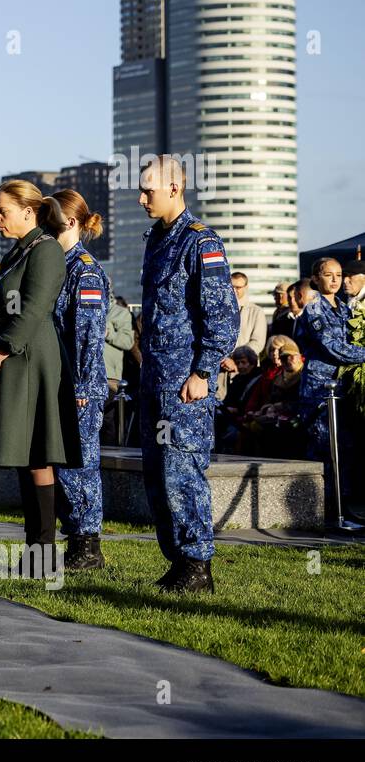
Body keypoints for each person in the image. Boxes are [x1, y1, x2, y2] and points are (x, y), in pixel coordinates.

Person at [137, 155, 239, 593]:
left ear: (174, 189)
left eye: (149, 190)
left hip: (185, 386)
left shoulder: (200, 242)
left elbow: (223, 316)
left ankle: (197, 565)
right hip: (156, 380)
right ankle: (178, 560)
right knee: (159, 474)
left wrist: (203, 371)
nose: (142, 198)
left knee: (183, 471)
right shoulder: (156, 239)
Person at [0, 180, 81, 576]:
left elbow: (35, 308)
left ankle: (43, 554)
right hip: (13, 359)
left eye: (3, 210)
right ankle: (33, 552)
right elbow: (3, 310)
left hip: (32, 359)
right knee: (24, 455)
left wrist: (1, 350)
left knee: (38, 455)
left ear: (29, 211)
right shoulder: (16, 254)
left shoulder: (47, 250)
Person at [50, 190, 111, 569]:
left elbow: (88, 335)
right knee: (65, 464)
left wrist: (82, 386)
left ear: (70, 223)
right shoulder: (61, 265)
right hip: (63, 380)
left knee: (79, 465)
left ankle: (87, 547)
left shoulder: (84, 270)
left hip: (79, 384)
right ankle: (76, 539)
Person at [294, 258, 365, 507]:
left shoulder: (344, 308)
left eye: (338, 275)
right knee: (324, 450)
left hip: (341, 388)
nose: (335, 280)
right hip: (320, 391)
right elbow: (333, 348)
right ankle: (323, 510)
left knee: (344, 449)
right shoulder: (315, 309)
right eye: (328, 275)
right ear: (315, 278)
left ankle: (342, 505)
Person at [218, 271, 267, 402]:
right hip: (221, 371)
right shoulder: (219, 311)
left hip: (245, 371)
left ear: (246, 287)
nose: (234, 290)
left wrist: (235, 359)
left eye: (238, 287)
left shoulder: (256, 312)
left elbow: (257, 343)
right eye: (231, 286)